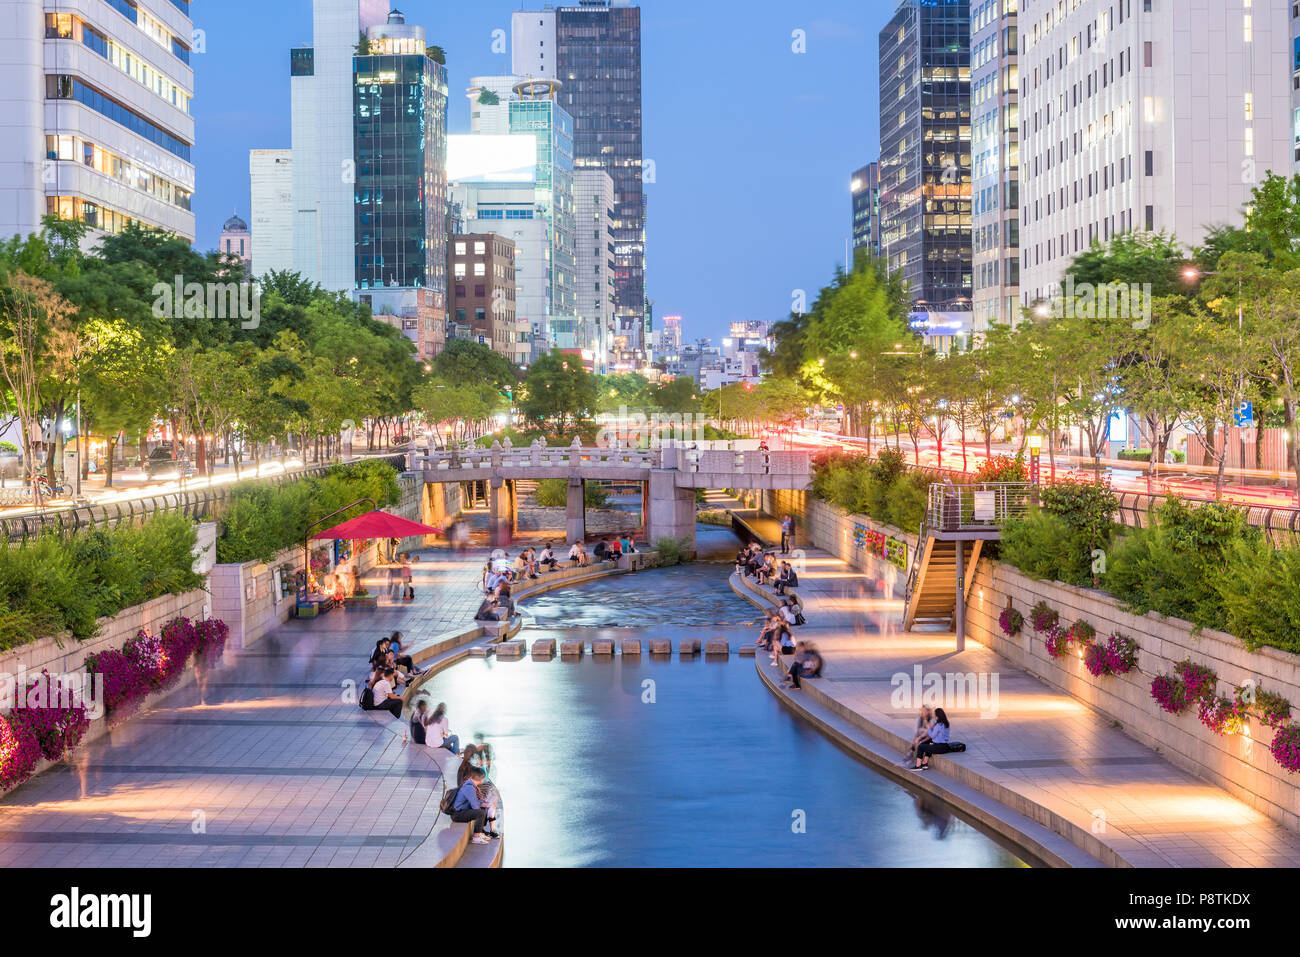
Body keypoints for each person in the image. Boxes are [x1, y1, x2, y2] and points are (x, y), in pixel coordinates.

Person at [450, 767, 493, 845]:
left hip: (461, 811)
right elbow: (475, 806)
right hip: (457, 814)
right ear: (482, 779)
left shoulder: (470, 784)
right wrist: (482, 804)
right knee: (480, 813)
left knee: (483, 809)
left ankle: (479, 833)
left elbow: (475, 802)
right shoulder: (469, 788)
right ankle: (476, 837)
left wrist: (485, 804)